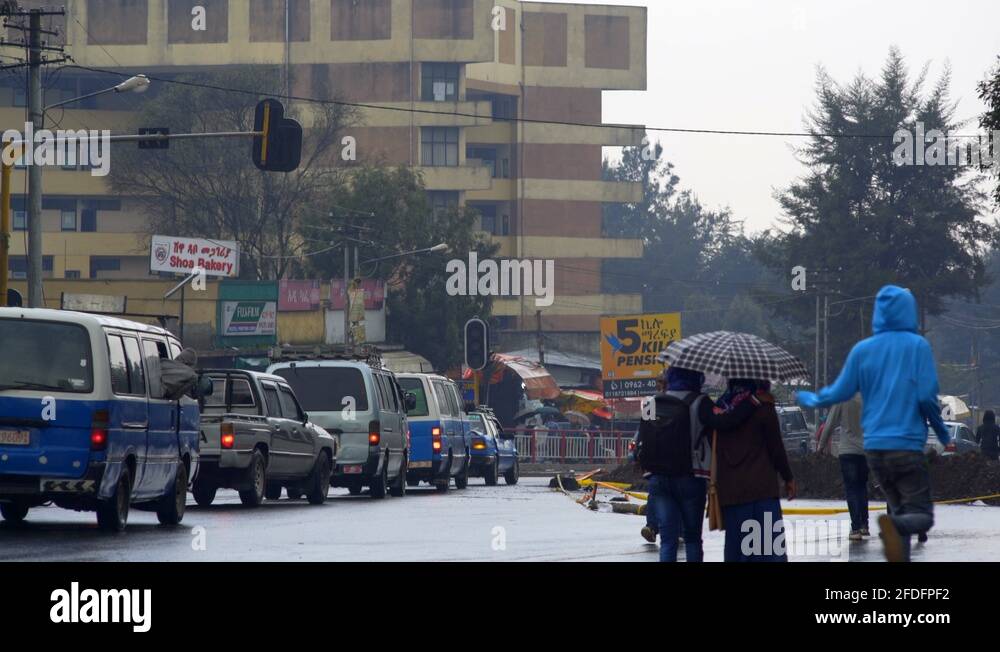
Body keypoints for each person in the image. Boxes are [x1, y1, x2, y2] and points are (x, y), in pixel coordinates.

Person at [797, 285, 950, 562]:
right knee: (920, 517)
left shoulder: (862, 350)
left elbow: (837, 392)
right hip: (905, 447)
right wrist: (941, 431)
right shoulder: (917, 347)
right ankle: (896, 526)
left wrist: (811, 398)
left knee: (893, 503)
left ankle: (889, 541)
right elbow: (928, 398)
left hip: (875, 451)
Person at [638, 367, 757, 562]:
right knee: (692, 538)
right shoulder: (700, 402)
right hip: (690, 476)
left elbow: (643, 435)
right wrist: (750, 402)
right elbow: (725, 423)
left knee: (668, 541)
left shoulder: (651, 402)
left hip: (657, 477)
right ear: (695, 377)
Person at [714, 379, 796, 562]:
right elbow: (776, 448)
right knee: (767, 550)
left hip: (732, 493)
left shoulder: (720, 410)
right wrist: (788, 477)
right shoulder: (764, 407)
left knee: (737, 551)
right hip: (762, 491)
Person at [819, 395, 869, 540]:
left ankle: (855, 529)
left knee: (851, 488)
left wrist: (821, 445)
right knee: (861, 486)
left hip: (847, 451)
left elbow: (830, 422)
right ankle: (864, 525)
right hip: (865, 450)